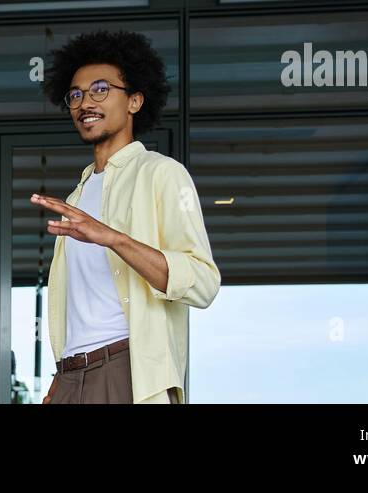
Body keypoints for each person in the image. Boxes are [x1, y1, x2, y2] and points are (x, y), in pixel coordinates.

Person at [33, 30, 220, 404]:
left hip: (125, 371)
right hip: (70, 376)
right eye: (76, 94)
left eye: (101, 89)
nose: (86, 102)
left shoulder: (161, 173)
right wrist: (61, 380)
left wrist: (113, 238)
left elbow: (203, 282)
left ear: (134, 100)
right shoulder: (78, 193)